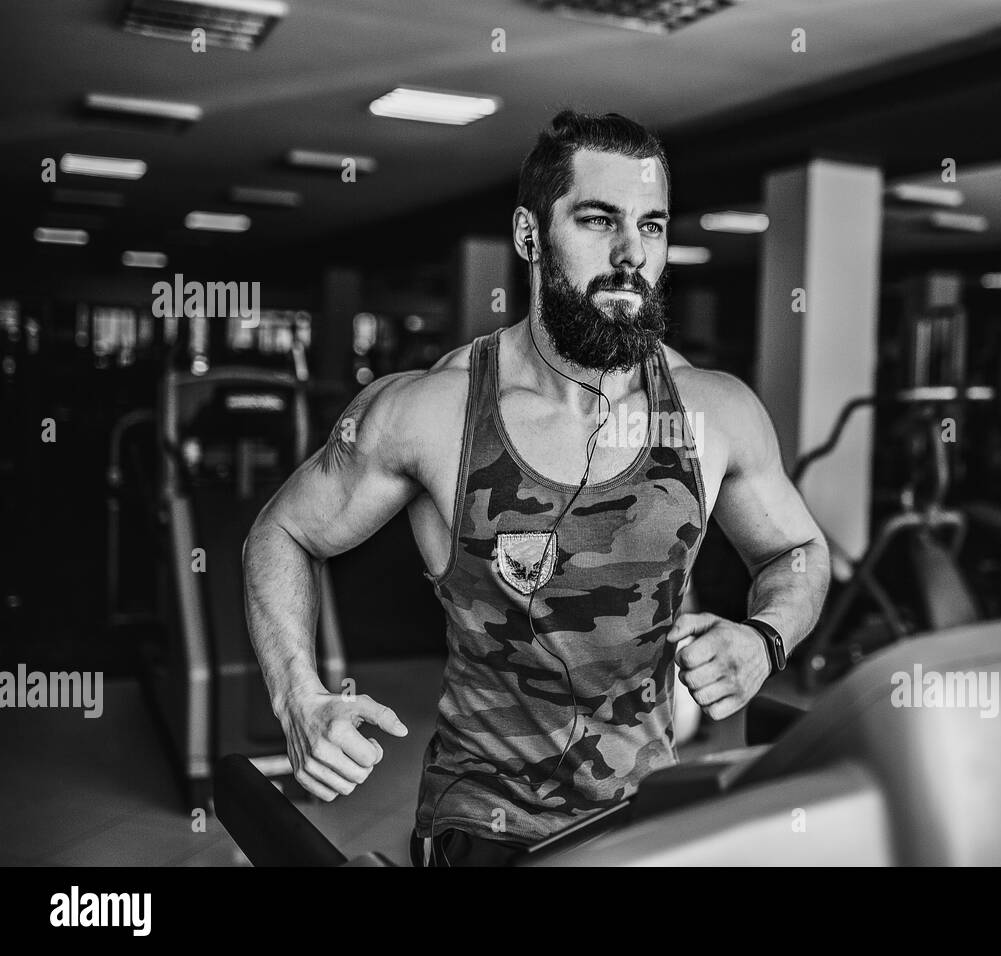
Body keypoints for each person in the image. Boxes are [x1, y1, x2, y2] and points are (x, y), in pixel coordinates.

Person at [243, 109, 830, 866]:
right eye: (598, 220)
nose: (630, 255)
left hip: (641, 818)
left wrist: (765, 636)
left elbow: (800, 551)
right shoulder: (432, 412)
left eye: (651, 227)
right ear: (528, 234)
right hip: (481, 821)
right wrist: (299, 699)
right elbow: (281, 532)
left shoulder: (715, 412)